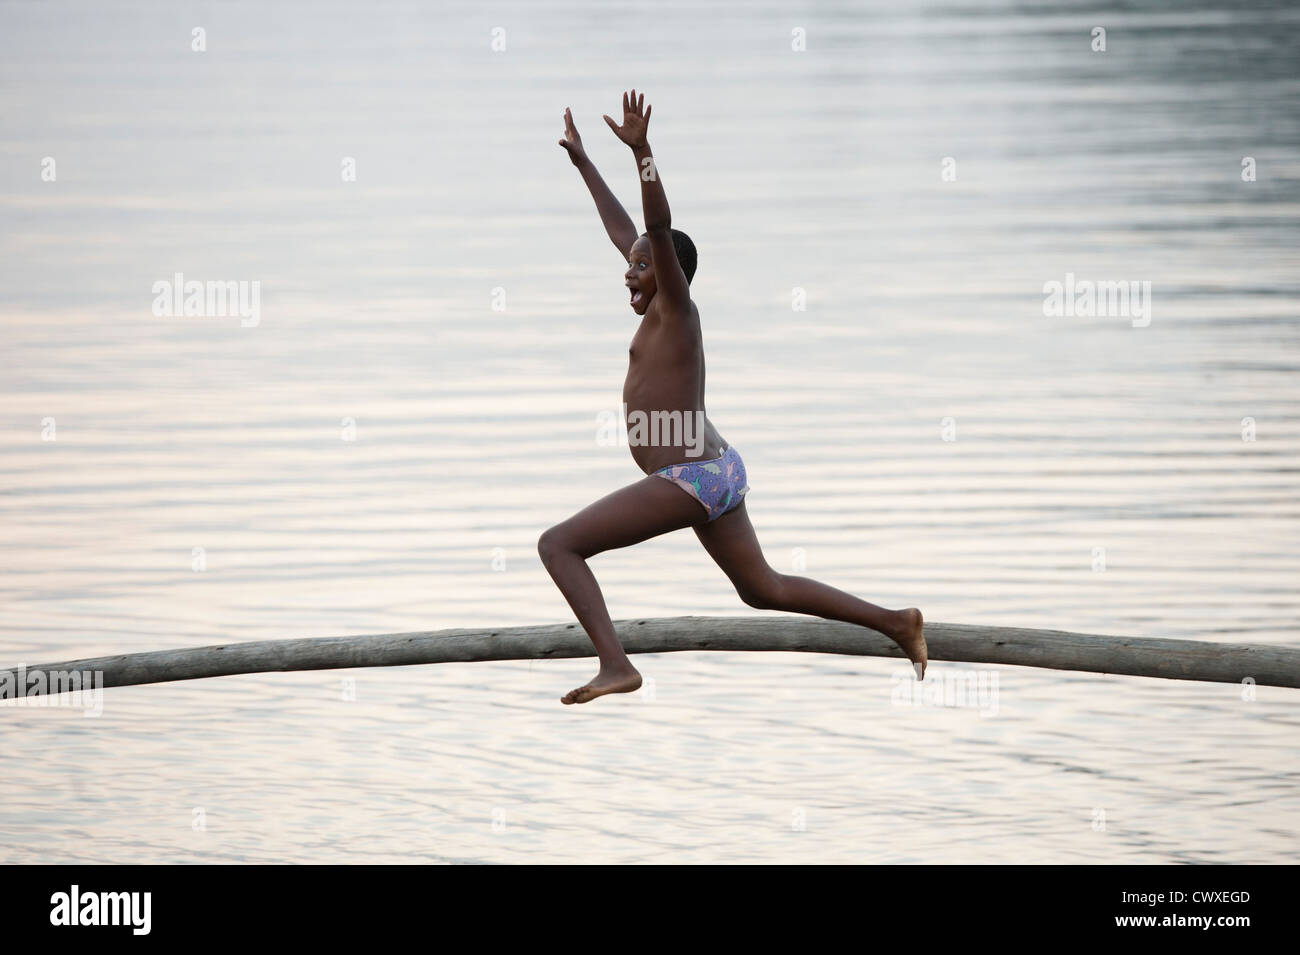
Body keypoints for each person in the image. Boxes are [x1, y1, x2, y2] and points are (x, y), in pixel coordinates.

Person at [540, 90, 926, 705]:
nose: (629, 269)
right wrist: (585, 163)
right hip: (715, 469)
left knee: (558, 545)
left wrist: (643, 154)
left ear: (667, 274)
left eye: (642, 265)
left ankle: (617, 665)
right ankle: (897, 623)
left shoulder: (676, 308)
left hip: (690, 476)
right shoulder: (659, 310)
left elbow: (656, 228)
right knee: (763, 589)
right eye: (632, 263)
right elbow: (628, 230)